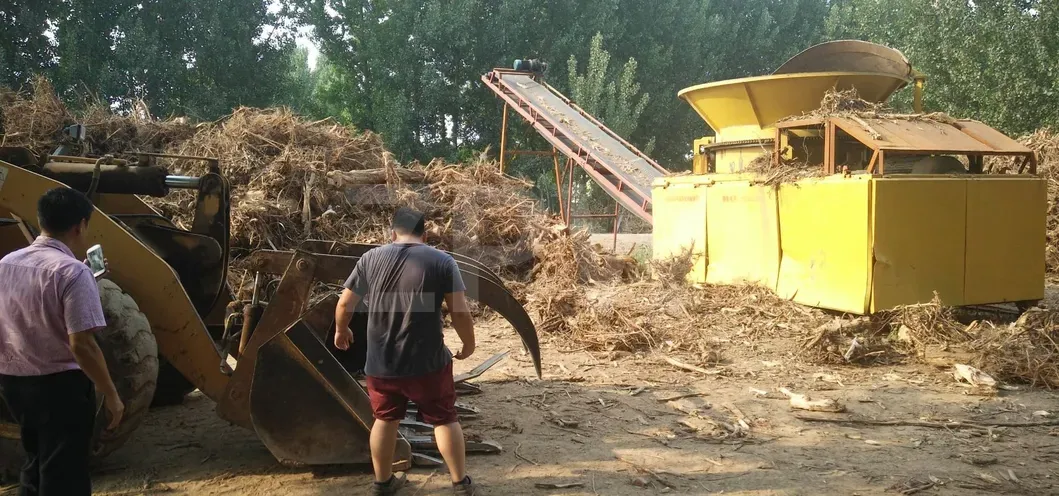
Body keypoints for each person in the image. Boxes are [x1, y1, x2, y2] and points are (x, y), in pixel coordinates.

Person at [334, 207, 477, 496]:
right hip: (428, 363)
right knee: (444, 419)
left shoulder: (370, 259)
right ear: (425, 235)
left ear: (392, 233)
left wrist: (341, 329)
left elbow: (345, 303)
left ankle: (383, 482)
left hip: (382, 363)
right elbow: (459, 311)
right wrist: (468, 343)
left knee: (385, 420)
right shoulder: (442, 261)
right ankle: (460, 484)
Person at [0, 187, 125, 496]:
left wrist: (86, 279)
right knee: (64, 474)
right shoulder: (72, 273)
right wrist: (111, 395)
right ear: (80, 225)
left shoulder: (7, 263)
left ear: (41, 220)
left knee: (35, 461)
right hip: (60, 388)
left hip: (14, 383)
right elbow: (82, 345)